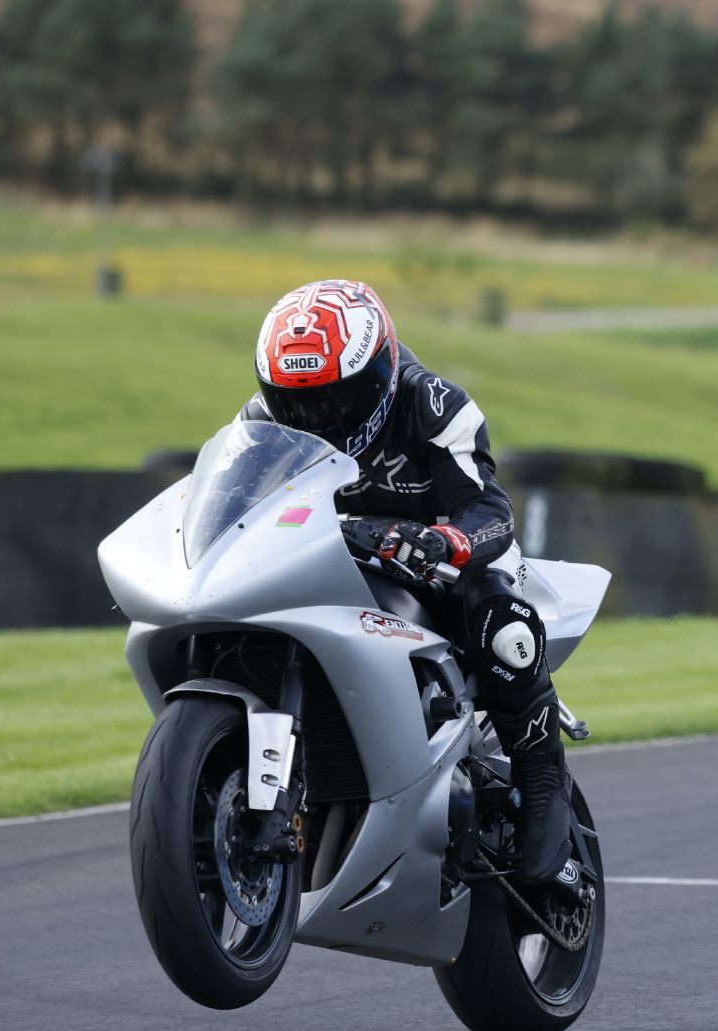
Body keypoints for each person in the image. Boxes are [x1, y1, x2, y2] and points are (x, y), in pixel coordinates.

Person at [238, 279, 572, 886]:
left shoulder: (434, 404)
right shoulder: (259, 424)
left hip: (440, 562)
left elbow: (490, 512)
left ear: (380, 370)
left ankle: (543, 775)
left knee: (498, 618)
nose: (319, 417)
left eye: (339, 399)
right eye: (299, 402)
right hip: (331, 561)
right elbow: (233, 502)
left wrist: (446, 542)